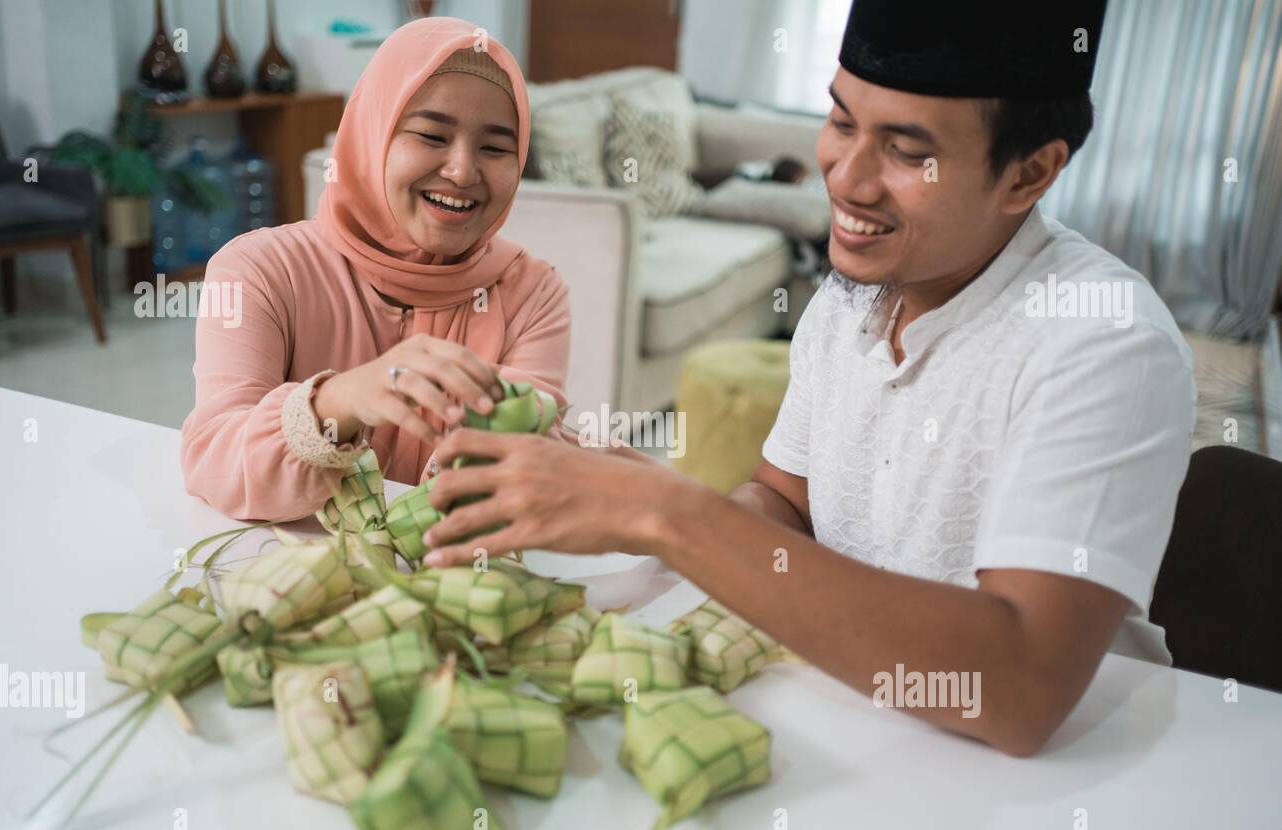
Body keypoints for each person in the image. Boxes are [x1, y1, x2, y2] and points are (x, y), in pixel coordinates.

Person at [421, 0, 1198, 757]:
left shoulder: (1104, 341)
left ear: (1029, 175)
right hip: (849, 730)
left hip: (1049, 786)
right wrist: (641, 510)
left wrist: (667, 513)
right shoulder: (850, 298)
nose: (845, 178)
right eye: (841, 121)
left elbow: (1018, 688)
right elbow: (784, 505)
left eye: (903, 150)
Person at [181, 17, 569, 521]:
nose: (462, 170)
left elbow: (527, 466)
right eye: (431, 135)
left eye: (495, 148)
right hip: (281, 576)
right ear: (372, 136)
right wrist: (336, 401)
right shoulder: (258, 271)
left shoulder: (531, 291)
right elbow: (215, 463)